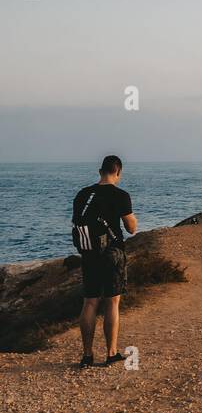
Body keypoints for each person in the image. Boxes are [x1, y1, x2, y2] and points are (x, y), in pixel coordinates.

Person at [72, 155, 137, 368]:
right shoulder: (120, 195)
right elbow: (131, 228)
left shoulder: (82, 195)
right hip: (112, 254)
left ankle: (87, 356)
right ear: (118, 172)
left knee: (90, 302)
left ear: (100, 171)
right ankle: (110, 353)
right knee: (112, 302)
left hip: (89, 253)